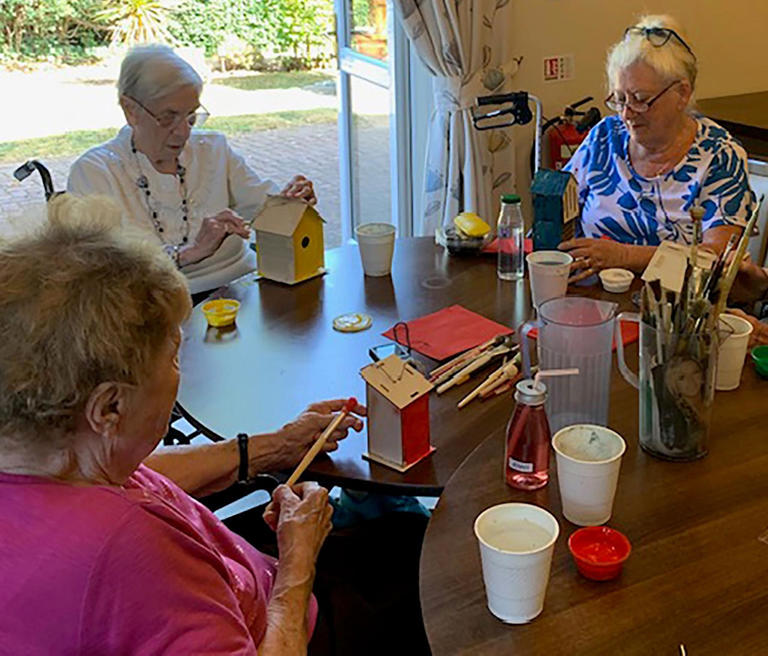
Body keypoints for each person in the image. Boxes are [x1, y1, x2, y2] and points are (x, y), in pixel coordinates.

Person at [0, 194, 367, 654]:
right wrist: (297, 560)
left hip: (245, 577)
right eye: (173, 357)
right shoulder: (132, 557)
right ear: (109, 407)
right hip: (289, 624)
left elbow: (143, 473)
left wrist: (274, 446)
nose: (181, 373)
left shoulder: (49, 457)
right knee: (402, 556)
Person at [67, 44, 317, 295]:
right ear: (130, 110)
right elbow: (104, 271)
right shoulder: (94, 172)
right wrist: (190, 253)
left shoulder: (213, 148)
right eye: (168, 117)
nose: (183, 132)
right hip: (157, 303)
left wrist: (290, 202)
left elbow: (262, 207)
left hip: (241, 285)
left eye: (191, 117)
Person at [560, 15, 755, 282]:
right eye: (620, 99)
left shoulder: (719, 155)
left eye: (641, 99)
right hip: (590, 294)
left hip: (675, 302)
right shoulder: (605, 137)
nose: (627, 113)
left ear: (682, 93)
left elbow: (717, 258)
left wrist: (625, 256)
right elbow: (558, 207)